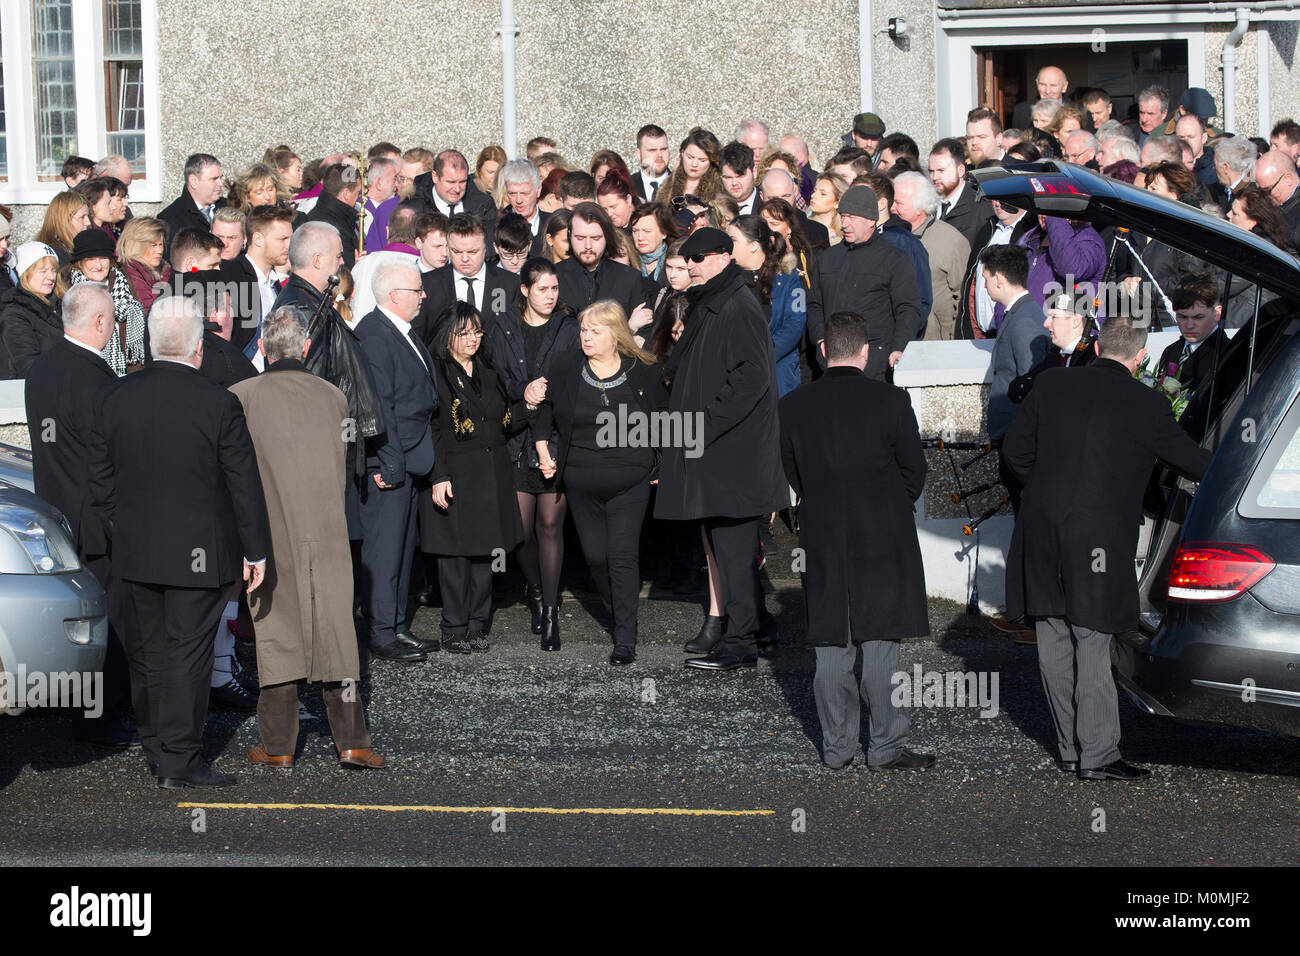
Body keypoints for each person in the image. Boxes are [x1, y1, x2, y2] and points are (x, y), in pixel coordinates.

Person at [1002, 317, 1212, 780]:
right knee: (1092, 637)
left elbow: (1015, 453)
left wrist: (1047, 494)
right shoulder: (1148, 403)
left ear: (1096, 349)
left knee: (1053, 632)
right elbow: (1196, 463)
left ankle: (1071, 749)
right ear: (1139, 359)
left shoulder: (1051, 385)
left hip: (1041, 526)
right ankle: (1097, 754)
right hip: (1096, 535)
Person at [87, 295, 271, 788]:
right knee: (187, 655)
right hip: (200, 554)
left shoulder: (114, 396)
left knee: (146, 652)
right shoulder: (218, 401)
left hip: (135, 549)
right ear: (197, 349)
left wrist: (118, 529)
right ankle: (179, 759)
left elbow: (99, 481)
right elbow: (243, 484)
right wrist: (256, 552)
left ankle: (158, 749)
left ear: (150, 343)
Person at [231, 306, 384, 771]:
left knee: (276, 631)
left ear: (262, 348)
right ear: (305, 347)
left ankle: (278, 745)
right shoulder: (333, 397)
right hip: (328, 528)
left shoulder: (241, 397)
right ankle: (353, 741)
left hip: (270, 531)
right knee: (337, 632)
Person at [778, 311, 933, 770]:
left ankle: (837, 748)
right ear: (867, 353)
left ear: (824, 350)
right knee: (880, 641)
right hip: (883, 534)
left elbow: (793, 473)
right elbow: (914, 472)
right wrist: (887, 504)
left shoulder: (794, 406)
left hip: (823, 533)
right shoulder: (891, 401)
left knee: (831, 644)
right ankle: (885, 747)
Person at [654, 227, 786, 670]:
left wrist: (702, 426)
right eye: (686, 259)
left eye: (699, 258)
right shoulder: (715, 301)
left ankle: (742, 642)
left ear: (724, 257)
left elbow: (751, 379)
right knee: (726, 550)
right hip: (717, 454)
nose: (690, 265)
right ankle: (748, 632)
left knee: (734, 553)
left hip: (732, 457)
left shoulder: (736, 304)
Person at [25, 283, 135, 747]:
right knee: (109, 623)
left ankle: (80, 712)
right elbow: (107, 460)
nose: (113, 329)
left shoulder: (41, 370)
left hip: (58, 516)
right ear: (97, 322)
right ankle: (101, 719)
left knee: (80, 624)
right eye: (111, 320)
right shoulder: (96, 380)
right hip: (96, 524)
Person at [535, 301, 666, 665]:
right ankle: (618, 608)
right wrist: (543, 448)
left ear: (616, 334)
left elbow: (663, 416)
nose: (586, 337)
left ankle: (625, 636)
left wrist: (659, 462)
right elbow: (546, 410)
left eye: (595, 331)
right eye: (583, 330)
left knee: (621, 555)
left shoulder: (642, 369)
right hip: (580, 478)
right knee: (595, 556)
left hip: (630, 478)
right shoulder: (565, 366)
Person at [422, 303, 534, 653]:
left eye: (477, 332)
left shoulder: (488, 369)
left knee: (487, 553)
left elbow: (499, 424)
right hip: (454, 473)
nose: (472, 339)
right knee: (454, 556)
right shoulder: (436, 371)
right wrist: (438, 474)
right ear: (447, 336)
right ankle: (453, 626)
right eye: (464, 333)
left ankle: (476, 623)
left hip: (491, 474)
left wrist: (528, 409)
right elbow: (433, 427)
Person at [484, 257, 576, 648]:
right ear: (524, 290)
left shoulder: (568, 326)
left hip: (555, 438)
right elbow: (496, 375)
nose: (550, 296)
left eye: (554, 289)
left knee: (550, 526)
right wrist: (524, 390)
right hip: (515, 438)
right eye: (542, 289)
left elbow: (573, 375)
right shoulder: (502, 325)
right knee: (519, 532)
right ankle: (536, 592)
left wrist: (546, 393)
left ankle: (552, 612)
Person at [354, 262, 440, 663]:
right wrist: (388, 463)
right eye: (417, 290)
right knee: (385, 549)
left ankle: (396, 624)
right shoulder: (374, 336)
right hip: (390, 462)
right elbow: (377, 407)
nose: (423, 296)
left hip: (408, 460)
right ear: (394, 296)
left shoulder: (399, 332)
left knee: (402, 548)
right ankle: (381, 632)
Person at [806, 185, 923, 379]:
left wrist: (899, 347)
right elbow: (814, 304)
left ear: (871, 220)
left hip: (876, 363)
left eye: (851, 217)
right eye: (842, 216)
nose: (844, 224)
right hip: (832, 361)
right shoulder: (828, 258)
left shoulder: (894, 259)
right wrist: (820, 340)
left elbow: (908, 308)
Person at [981, 245, 1049, 513]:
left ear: (999, 279)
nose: (985, 286)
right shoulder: (1021, 313)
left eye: (986, 279)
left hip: (1017, 435)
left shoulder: (1023, 320)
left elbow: (1030, 381)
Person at [415, 212, 521, 346]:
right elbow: (419, 338)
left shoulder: (509, 283)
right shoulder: (428, 285)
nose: (464, 259)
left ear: (486, 249)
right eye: (457, 252)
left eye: (472, 252)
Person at [727, 215, 804, 397]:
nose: (727, 246)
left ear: (753, 245)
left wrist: (762, 356)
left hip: (777, 375)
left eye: (733, 240)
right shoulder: (728, 279)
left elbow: (795, 324)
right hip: (736, 376)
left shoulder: (787, 277)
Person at [892, 171, 970, 341]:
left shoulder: (951, 241)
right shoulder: (889, 237)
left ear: (920, 207)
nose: (892, 208)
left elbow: (962, 296)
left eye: (898, 203)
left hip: (935, 342)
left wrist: (953, 341)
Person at [555, 202, 654, 323]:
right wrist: (629, 329)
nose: (587, 246)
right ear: (570, 235)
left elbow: (645, 331)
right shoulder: (554, 277)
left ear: (606, 236)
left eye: (595, 238)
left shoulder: (629, 279)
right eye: (580, 238)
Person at [66, 228, 146, 375]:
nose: (98, 265)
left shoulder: (124, 284)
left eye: (103, 258)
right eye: (91, 259)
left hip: (126, 376)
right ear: (80, 263)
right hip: (84, 371)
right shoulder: (69, 290)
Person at [958, 197, 1033, 339]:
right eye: (995, 198)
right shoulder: (988, 228)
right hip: (981, 334)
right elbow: (971, 283)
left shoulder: (1030, 232)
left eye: (1004, 198)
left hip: (1012, 332)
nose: (998, 204)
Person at [1156, 272, 1229, 396]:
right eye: (1182, 317)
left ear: (1217, 313)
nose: (1189, 325)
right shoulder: (1171, 351)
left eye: (1198, 317)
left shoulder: (1227, 356)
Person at [412, 149, 500, 249]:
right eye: (451, 182)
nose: (457, 189)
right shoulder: (414, 209)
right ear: (435, 177)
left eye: (462, 182)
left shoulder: (484, 205)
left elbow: (491, 249)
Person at [0, 242, 63, 378]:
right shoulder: (15, 315)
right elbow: (27, 365)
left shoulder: (60, 305)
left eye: (53, 270)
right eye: (43, 271)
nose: (51, 277)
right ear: (26, 273)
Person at [928, 139, 994, 246]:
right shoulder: (926, 206)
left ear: (960, 171)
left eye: (941, 170)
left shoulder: (981, 207)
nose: (935, 177)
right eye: (931, 171)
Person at [306, 162, 364, 270]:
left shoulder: (322, 212)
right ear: (346, 194)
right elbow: (344, 270)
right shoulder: (333, 227)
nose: (359, 197)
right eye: (358, 193)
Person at [159, 153, 225, 242]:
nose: (220, 183)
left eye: (221, 178)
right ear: (194, 181)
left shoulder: (229, 207)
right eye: (214, 179)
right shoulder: (171, 218)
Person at [661, 127, 722, 204]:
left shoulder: (720, 189)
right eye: (690, 157)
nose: (694, 164)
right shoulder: (668, 184)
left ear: (711, 160)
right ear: (682, 153)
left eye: (702, 160)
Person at [35, 192, 93, 266]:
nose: (88, 222)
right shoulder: (52, 256)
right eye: (82, 217)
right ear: (64, 220)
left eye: (88, 216)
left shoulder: (74, 249)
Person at [1012, 66, 1071, 130]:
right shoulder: (1021, 111)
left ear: (1064, 87)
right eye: (1043, 85)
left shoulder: (1078, 112)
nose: (1047, 91)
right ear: (1037, 84)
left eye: (1053, 85)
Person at [629, 203, 676, 284]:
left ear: (664, 233)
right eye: (635, 231)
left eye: (647, 231)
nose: (640, 237)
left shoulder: (677, 260)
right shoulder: (627, 260)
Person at [633, 124, 672, 201]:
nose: (660, 155)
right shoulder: (625, 186)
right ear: (638, 154)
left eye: (664, 149)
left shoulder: (685, 185)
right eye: (652, 150)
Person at [720, 142, 759, 216]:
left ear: (754, 172)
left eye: (740, 176)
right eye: (728, 177)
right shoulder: (712, 208)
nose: (734, 183)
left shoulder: (767, 205)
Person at [808, 173, 845, 244]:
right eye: (815, 191)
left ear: (837, 203)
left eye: (823, 194)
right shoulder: (803, 226)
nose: (813, 195)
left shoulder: (845, 234)